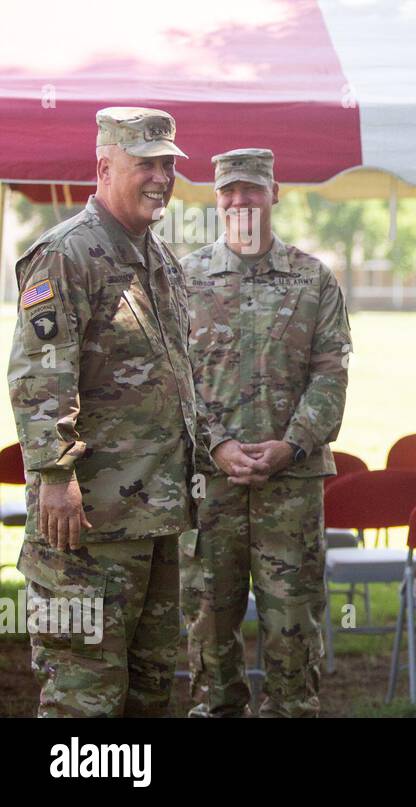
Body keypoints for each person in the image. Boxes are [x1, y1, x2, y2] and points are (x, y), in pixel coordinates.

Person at [7, 107, 227, 716]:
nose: (161, 177)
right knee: (84, 695)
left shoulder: (158, 260)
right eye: (145, 164)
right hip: (87, 521)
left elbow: (176, 379)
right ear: (105, 166)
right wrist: (55, 478)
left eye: (167, 165)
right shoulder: (66, 255)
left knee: (149, 691)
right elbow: (39, 375)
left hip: (154, 516)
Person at [179, 148, 352, 717]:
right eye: (229, 191)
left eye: (251, 189)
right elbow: (173, 381)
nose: (240, 201)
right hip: (211, 486)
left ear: (274, 193)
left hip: (291, 486)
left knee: (293, 626)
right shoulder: (185, 279)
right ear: (216, 198)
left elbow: (331, 373)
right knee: (208, 627)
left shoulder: (313, 279)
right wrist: (219, 445)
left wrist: (291, 444)